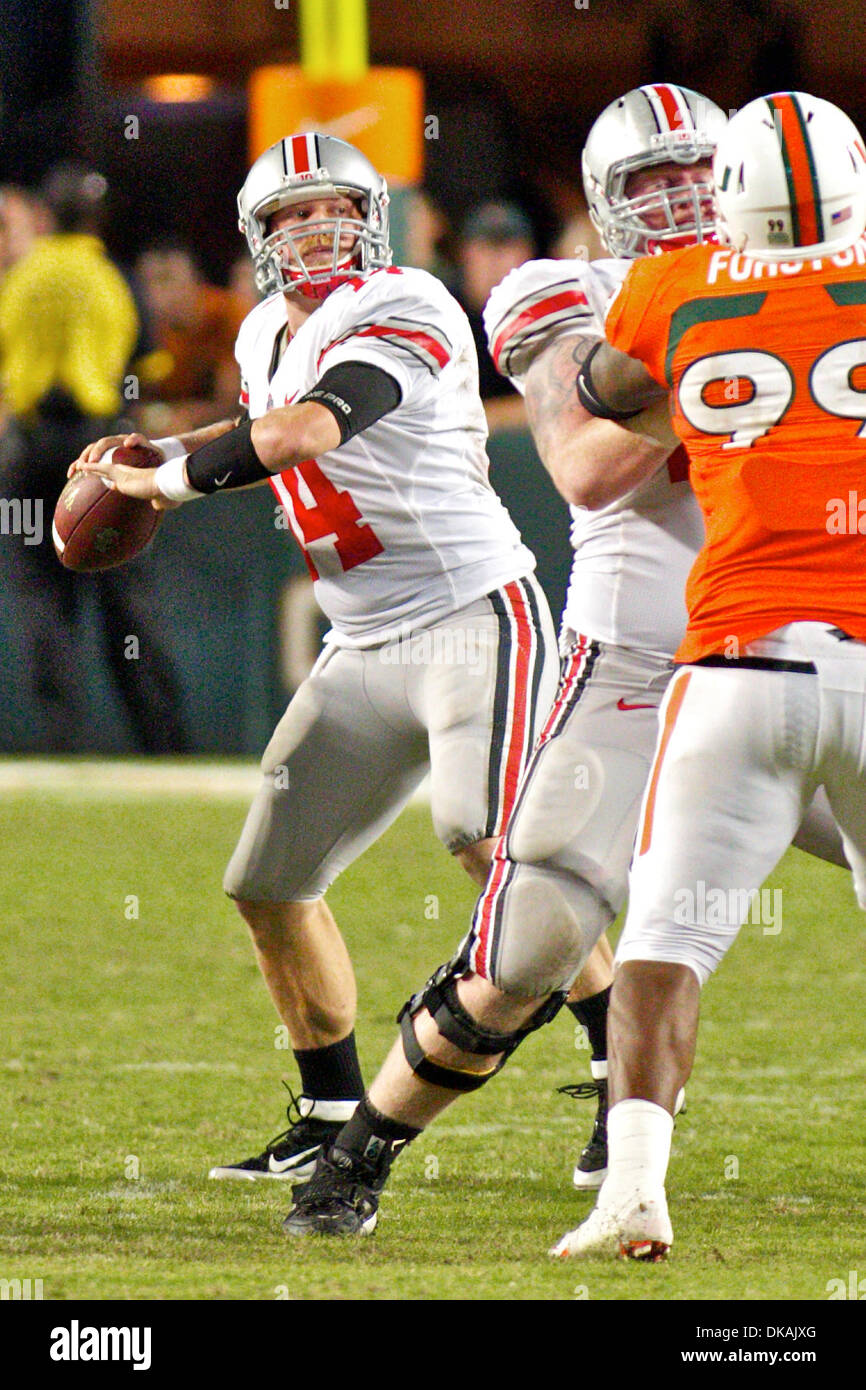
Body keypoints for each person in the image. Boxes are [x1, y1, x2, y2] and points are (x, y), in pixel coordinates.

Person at [268, 86, 848, 1241]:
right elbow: (581, 466)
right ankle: (357, 1153)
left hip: (797, 650)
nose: (681, 199)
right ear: (602, 202)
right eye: (650, 184)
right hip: (639, 658)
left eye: (697, 173)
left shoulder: (802, 276)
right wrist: (740, 371)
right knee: (534, 933)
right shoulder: (568, 291)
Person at [72, 133, 559, 1183]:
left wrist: (167, 485)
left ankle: (624, 1074)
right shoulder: (258, 331)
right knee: (266, 879)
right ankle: (327, 1103)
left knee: (486, 842)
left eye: (334, 205)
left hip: (469, 610)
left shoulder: (408, 304)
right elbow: (256, 423)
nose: (317, 225)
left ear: (372, 214)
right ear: (260, 236)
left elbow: (305, 432)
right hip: (366, 635)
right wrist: (163, 449)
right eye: (292, 213)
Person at [552, 90, 866, 1259]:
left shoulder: (665, 289)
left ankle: (631, 1188)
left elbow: (605, 396)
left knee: (659, 946)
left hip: (739, 659)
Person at [0, 162, 188, 752]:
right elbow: (147, 367)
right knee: (127, 599)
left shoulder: (21, 276)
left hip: (30, 448)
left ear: (47, 214)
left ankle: (63, 741)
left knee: (41, 600)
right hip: (100, 449)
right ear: (97, 216)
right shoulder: (115, 278)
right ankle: (161, 741)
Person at [135, 238, 249, 435]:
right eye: (147, 282)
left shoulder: (227, 314)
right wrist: (134, 409)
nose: (156, 292)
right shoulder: (140, 323)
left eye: (165, 279)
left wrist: (186, 415)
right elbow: (131, 377)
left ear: (194, 280)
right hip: (162, 424)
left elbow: (233, 401)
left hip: (222, 430)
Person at [454, 200, 536, 432]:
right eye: (485, 248)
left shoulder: (539, 316)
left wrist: (490, 416)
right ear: (466, 254)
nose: (495, 260)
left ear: (526, 255)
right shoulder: (443, 309)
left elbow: (558, 402)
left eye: (505, 248)